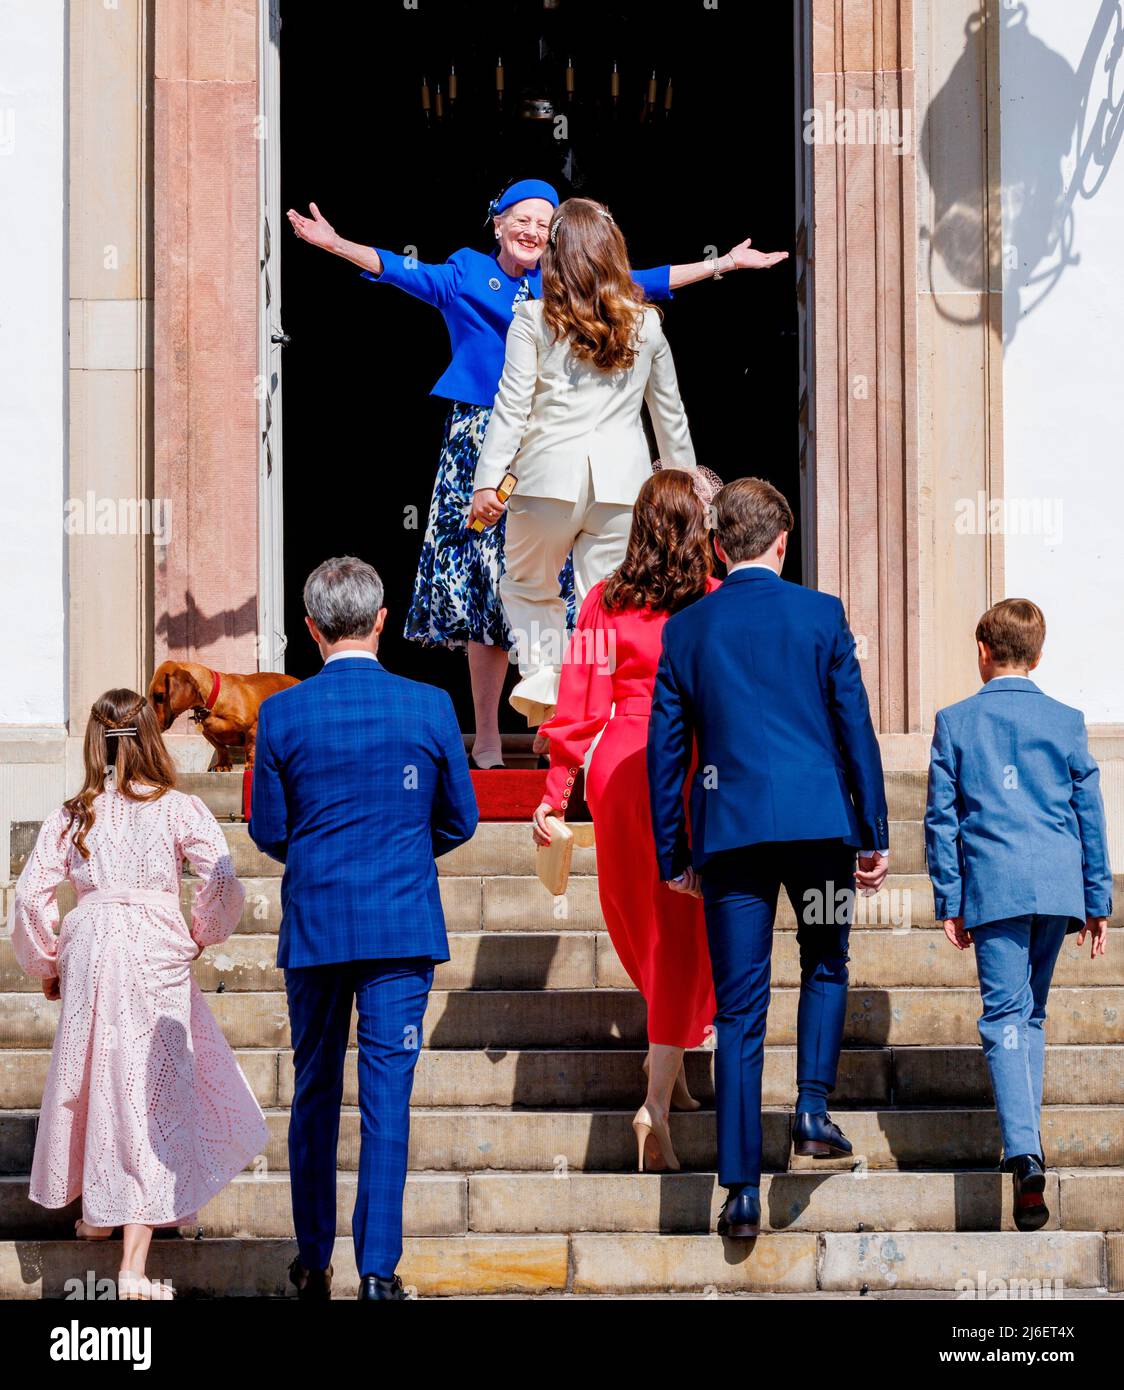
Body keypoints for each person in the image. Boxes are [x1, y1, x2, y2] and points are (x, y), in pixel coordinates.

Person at [288, 182, 787, 767]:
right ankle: (502, 731)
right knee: (494, 596)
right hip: (497, 451)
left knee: (564, 594)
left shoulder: (565, 297)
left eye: (545, 224)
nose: (532, 231)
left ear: (559, 243)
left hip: (533, 463)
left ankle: (563, 705)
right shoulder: (470, 275)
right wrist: (338, 244)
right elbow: (401, 269)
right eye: (521, 220)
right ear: (496, 223)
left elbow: (648, 280)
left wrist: (722, 263)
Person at [647, 477, 889, 1240]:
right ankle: (813, 1111)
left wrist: (673, 851)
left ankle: (741, 1190)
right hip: (820, 831)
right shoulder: (821, 615)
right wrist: (872, 829)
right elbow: (855, 727)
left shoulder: (686, 629)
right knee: (825, 961)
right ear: (782, 543)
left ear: (719, 547)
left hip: (732, 837)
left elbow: (666, 753)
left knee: (740, 1007)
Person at [249, 556, 478, 1301]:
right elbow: (461, 817)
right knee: (388, 1099)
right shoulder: (430, 704)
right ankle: (378, 1271)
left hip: (317, 925)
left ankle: (313, 1260)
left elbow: (268, 828)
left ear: (310, 629)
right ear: (382, 621)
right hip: (401, 924)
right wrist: (404, 848)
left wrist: (322, 855)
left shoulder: (281, 713)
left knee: (314, 1090)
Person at [11, 689, 266, 1300]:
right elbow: (223, 876)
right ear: (151, 737)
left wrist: (47, 962)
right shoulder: (178, 808)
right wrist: (202, 932)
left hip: (92, 945)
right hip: (154, 945)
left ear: (96, 742)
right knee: (152, 1091)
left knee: (99, 1076)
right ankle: (131, 1268)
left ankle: (100, 1215)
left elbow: (28, 895)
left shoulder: (76, 813)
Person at [531, 471, 719, 1172]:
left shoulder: (602, 602)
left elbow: (578, 708)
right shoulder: (712, 599)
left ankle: (670, 1067)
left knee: (649, 920)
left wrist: (555, 791)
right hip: (691, 769)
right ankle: (657, 1102)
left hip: (617, 772)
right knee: (685, 926)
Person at [471, 197, 697, 728]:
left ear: (558, 255)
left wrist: (488, 481)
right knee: (607, 604)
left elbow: (512, 406)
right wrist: (686, 485)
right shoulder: (648, 324)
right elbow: (671, 418)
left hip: (545, 482)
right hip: (623, 489)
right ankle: (603, 710)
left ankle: (549, 681)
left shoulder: (531, 318)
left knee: (528, 587)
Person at [924, 598, 1111, 1231]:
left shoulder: (955, 720)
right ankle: (1025, 1144)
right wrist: (1097, 899)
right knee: (1028, 1014)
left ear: (983, 652)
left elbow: (941, 819)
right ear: (1039, 653)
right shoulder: (1067, 720)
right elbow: (1089, 813)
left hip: (996, 887)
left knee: (1006, 1015)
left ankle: (1026, 1155)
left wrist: (948, 897)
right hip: (1057, 885)